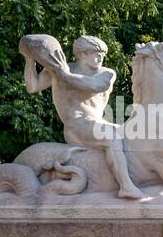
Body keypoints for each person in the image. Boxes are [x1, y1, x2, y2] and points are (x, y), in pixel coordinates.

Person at [22, 34, 144, 199]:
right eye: (96, 53)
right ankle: (126, 186)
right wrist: (30, 58)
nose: (101, 57)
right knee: (112, 138)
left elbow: (95, 86)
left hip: (97, 123)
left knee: (136, 134)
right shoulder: (58, 69)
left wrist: (65, 75)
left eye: (102, 54)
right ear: (82, 54)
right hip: (76, 127)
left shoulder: (106, 73)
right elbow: (33, 87)